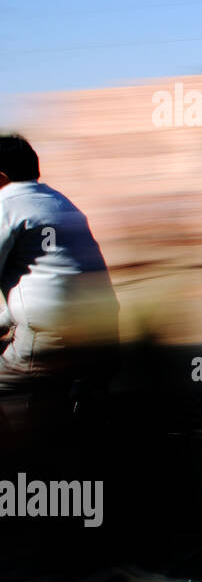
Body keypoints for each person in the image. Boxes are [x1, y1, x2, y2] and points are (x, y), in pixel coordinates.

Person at [0, 135, 119, 432]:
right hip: (102, 331)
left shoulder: (6, 205)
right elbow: (50, 280)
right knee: (47, 417)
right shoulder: (60, 202)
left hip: (52, 336)